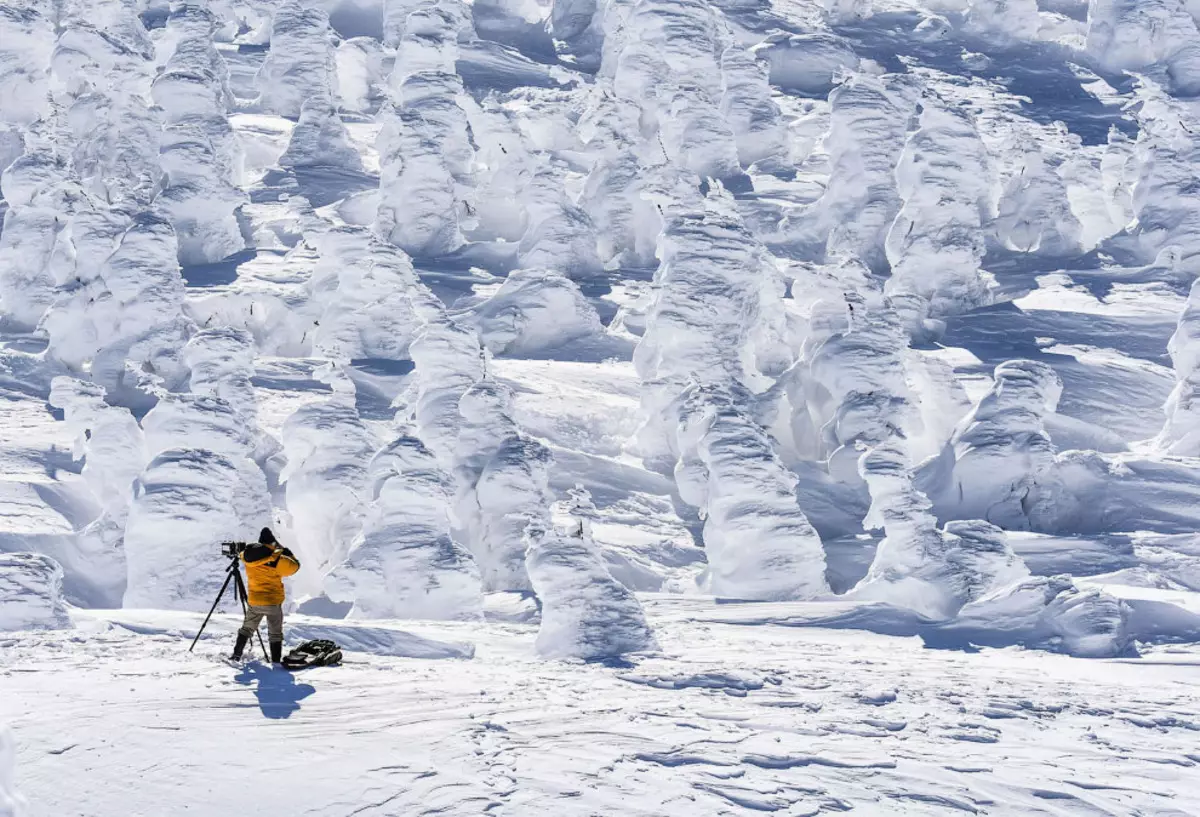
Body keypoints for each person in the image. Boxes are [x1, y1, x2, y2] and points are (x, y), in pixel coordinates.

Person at [230, 527, 300, 664]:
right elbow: (295, 567)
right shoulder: (277, 559)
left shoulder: (247, 556)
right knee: (275, 633)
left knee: (247, 628)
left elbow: (241, 553)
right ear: (272, 543)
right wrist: (288, 553)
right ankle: (275, 661)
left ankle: (236, 655)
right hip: (272, 602)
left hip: (255, 601)